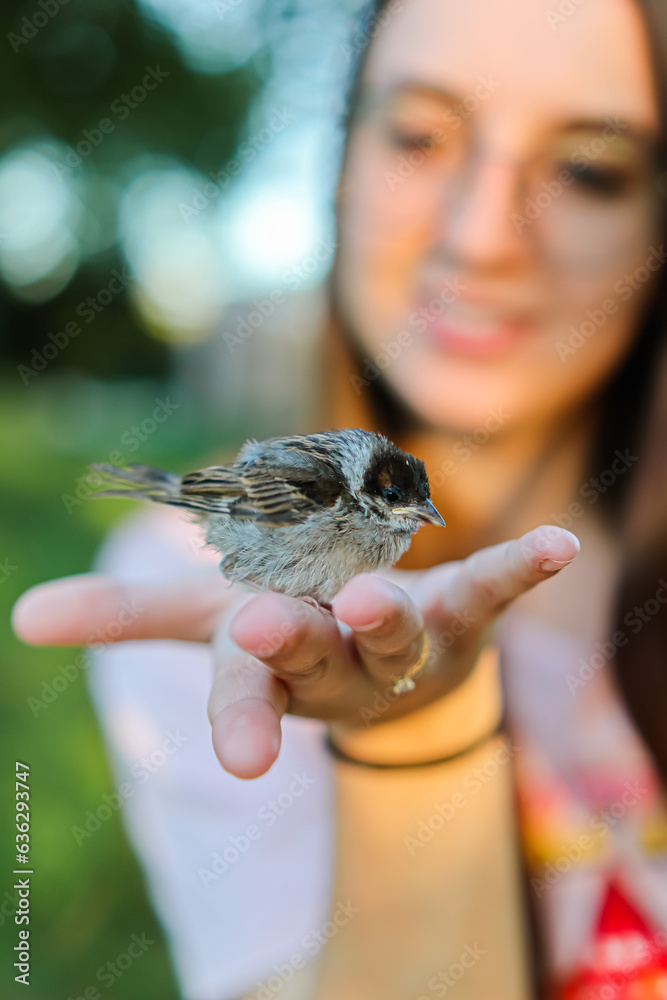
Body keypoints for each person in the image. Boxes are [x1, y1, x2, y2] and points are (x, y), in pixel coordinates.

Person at [12, 0, 667, 997]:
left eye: (588, 167)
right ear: (341, 162)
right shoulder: (188, 592)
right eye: (419, 136)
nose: (481, 235)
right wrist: (417, 739)